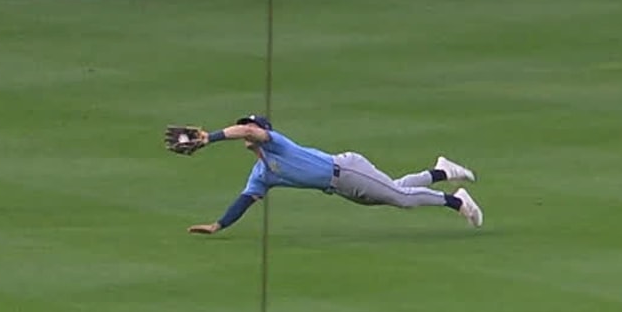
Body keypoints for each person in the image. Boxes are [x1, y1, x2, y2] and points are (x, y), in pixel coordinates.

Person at [183, 114, 483, 234]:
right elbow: (245, 200)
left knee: (402, 199)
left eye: (254, 127)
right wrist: (217, 225)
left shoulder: (278, 144)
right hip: (340, 186)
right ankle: (442, 170)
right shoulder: (262, 173)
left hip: (347, 169)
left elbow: (248, 130)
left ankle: (458, 202)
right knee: (393, 191)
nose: (249, 131)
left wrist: (211, 137)